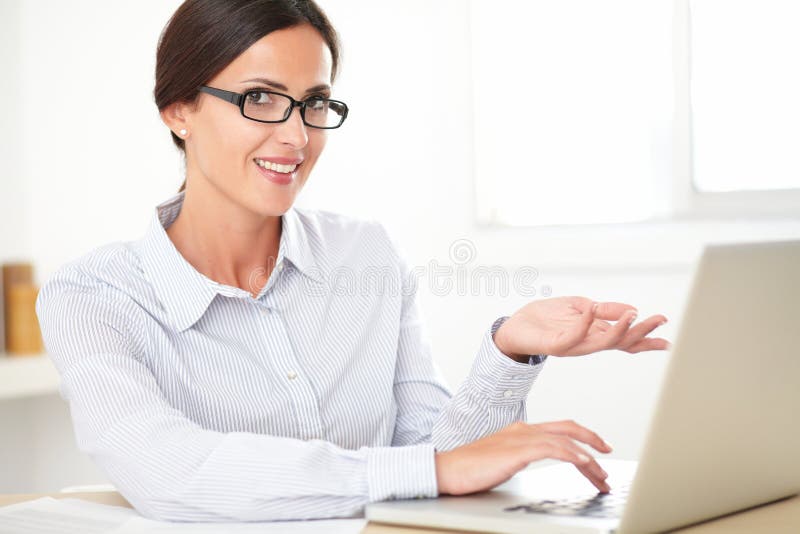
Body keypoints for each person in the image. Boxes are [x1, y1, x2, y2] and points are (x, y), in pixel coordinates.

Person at [35, 0, 670, 523]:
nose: (297, 136)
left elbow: (439, 461)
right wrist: (428, 471)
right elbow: (168, 471)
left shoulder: (364, 254)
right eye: (261, 98)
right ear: (179, 111)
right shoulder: (93, 296)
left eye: (314, 103)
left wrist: (509, 352)